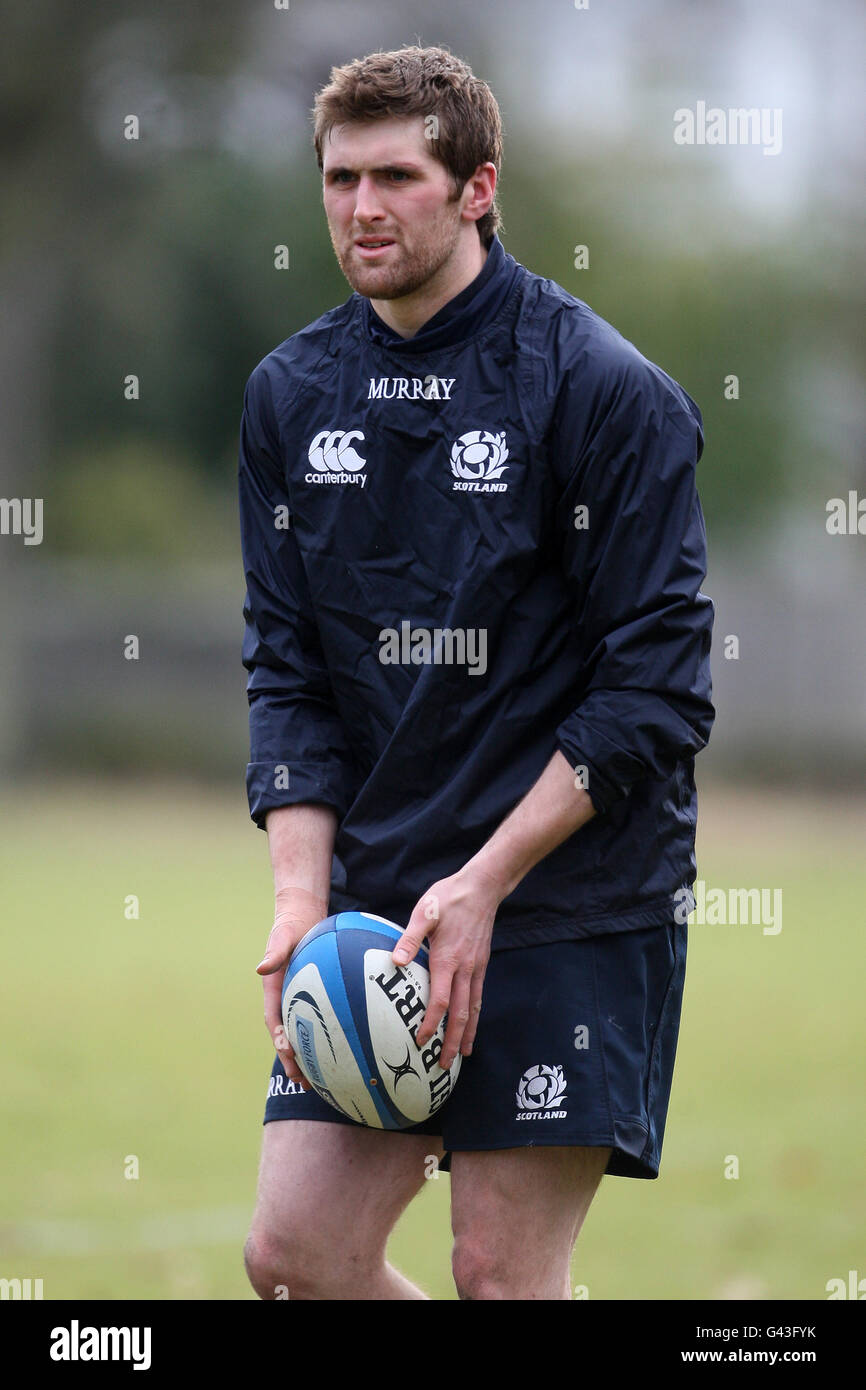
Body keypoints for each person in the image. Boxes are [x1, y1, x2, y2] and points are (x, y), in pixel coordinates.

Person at [238, 44, 714, 1301]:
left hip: (564, 895)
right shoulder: (288, 395)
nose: (362, 208)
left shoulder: (603, 390)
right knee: (294, 1258)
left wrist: (489, 880)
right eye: (340, 178)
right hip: (381, 901)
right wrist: (298, 896)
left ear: (476, 187)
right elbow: (286, 664)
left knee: (500, 1278)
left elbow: (657, 692)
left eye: (397, 175)